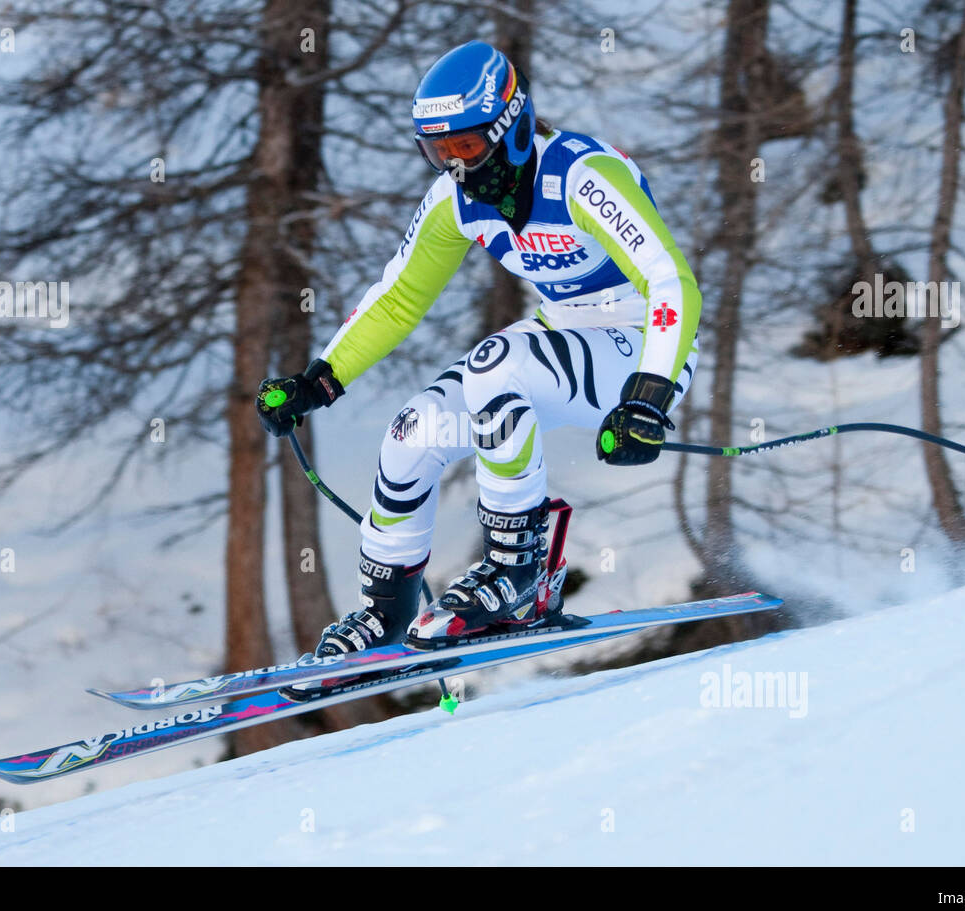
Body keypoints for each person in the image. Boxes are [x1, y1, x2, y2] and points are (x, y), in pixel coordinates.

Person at [257, 40, 700, 653]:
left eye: (466, 145)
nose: (457, 166)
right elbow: (398, 297)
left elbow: (670, 281)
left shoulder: (581, 175)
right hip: (565, 330)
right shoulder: (454, 200)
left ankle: (518, 576)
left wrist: (648, 397)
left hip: (644, 341)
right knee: (414, 432)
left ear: (511, 127)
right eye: (439, 151)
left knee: (498, 367)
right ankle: (386, 617)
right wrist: (318, 381)